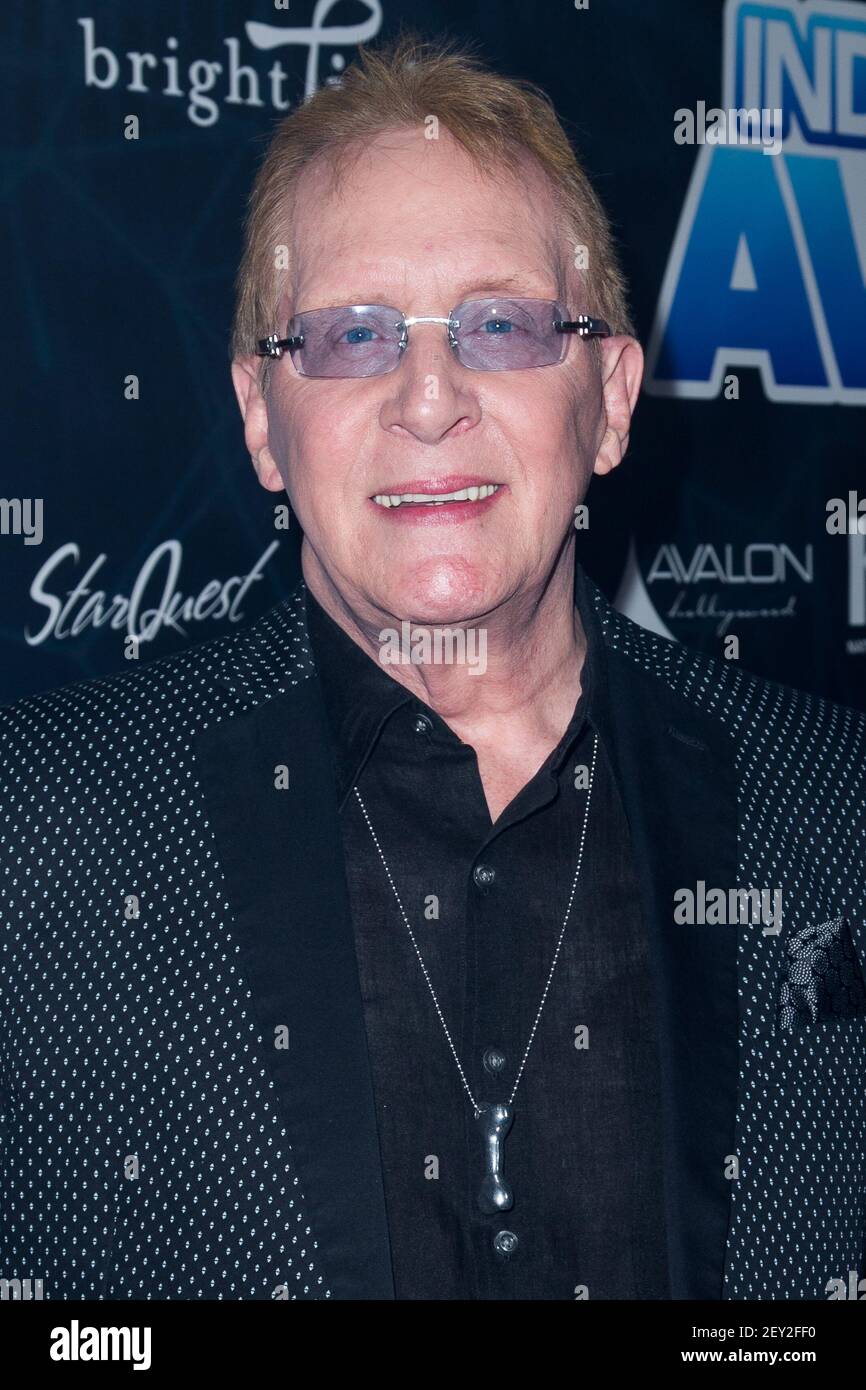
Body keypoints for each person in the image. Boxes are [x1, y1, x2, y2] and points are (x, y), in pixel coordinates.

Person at [2, 33, 865, 1302]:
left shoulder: (833, 808)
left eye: (499, 325)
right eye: (351, 336)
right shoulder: (39, 834)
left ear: (612, 397)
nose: (426, 397)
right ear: (259, 418)